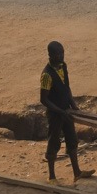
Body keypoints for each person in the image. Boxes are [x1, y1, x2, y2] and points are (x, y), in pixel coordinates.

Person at [40, 41, 93, 182]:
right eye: (58, 54)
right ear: (50, 55)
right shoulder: (46, 75)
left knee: (72, 140)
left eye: (62, 53)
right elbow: (44, 100)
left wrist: (73, 105)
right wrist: (59, 111)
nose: (61, 56)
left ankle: (77, 172)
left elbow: (66, 87)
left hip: (67, 111)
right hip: (55, 114)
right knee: (54, 143)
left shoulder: (63, 67)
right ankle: (52, 177)